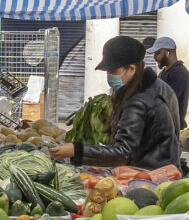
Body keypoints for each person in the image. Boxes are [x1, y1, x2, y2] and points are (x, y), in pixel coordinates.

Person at [50, 36, 180, 168]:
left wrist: (77, 150)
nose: (109, 75)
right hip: (156, 169)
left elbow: (123, 152)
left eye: (113, 71)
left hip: (153, 175)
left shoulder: (138, 102)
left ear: (131, 69)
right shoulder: (150, 89)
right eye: (108, 71)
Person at [152, 36, 189, 127]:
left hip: (171, 128)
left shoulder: (179, 73)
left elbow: (165, 101)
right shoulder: (163, 73)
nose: (154, 57)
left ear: (168, 52)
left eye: (157, 53)